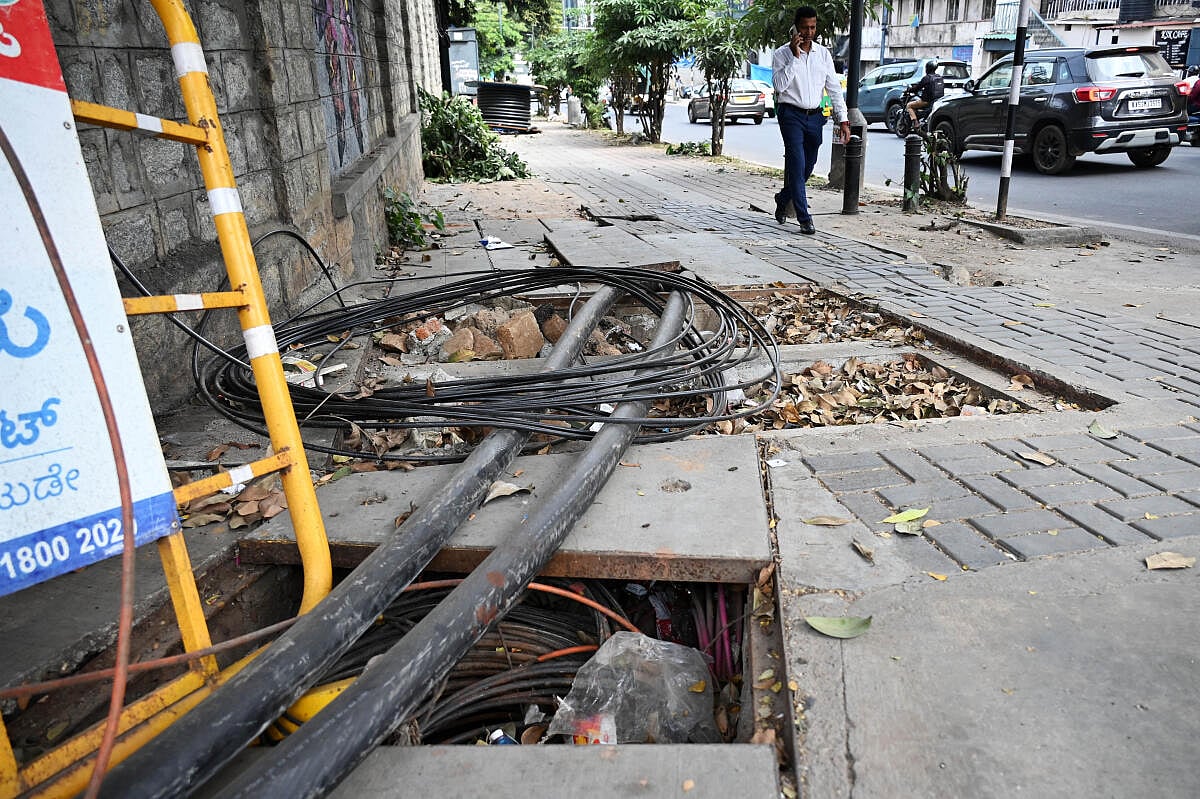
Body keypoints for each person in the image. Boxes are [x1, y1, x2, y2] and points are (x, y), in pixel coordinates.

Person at [772, 6, 850, 235]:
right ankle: (804, 218)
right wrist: (795, 58)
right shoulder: (781, 54)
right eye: (804, 27)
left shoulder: (823, 54)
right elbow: (779, 87)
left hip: (815, 117)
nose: (809, 32)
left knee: (808, 166)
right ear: (795, 28)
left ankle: (783, 197)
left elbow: (834, 89)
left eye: (813, 27)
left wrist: (843, 121)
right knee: (796, 163)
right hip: (791, 115)